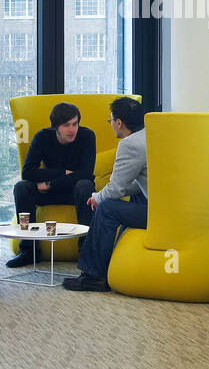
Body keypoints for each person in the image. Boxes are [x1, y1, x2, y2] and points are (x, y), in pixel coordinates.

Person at [63, 96, 147, 292]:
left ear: (119, 122)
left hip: (160, 212)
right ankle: (114, 261)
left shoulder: (130, 144)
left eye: (110, 120)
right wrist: (102, 194)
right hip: (168, 204)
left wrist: (97, 197)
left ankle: (93, 276)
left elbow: (116, 189)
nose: (111, 125)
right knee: (128, 198)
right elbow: (140, 183)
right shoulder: (152, 134)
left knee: (107, 208)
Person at [8, 102, 95, 268]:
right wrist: (62, 172)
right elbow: (27, 172)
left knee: (85, 185)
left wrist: (51, 183)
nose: (72, 129)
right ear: (56, 127)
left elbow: (86, 173)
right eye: (66, 125)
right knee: (21, 187)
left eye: (75, 124)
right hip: (48, 191)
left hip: (73, 191)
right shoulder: (43, 137)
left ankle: (87, 252)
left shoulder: (87, 136)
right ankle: (28, 250)